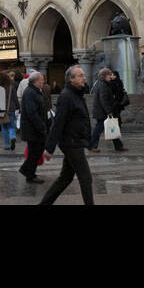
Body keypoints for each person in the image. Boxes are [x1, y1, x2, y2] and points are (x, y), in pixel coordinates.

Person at [40, 64, 94, 206]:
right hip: (71, 142)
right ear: (71, 79)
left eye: (83, 75)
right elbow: (58, 123)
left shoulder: (76, 94)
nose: (84, 78)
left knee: (65, 177)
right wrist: (49, 148)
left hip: (75, 140)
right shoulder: (66, 96)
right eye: (80, 75)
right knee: (86, 177)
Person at [17, 71, 48, 184]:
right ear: (36, 81)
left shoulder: (35, 91)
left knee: (35, 151)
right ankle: (29, 173)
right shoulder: (30, 92)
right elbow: (32, 113)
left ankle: (27, 170)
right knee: (35, 151)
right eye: (41, 80)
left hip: (34, 128)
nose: (43, 82)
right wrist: (41, 126)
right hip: (32, 128)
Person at [88, 68, 123, 152]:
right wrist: (109, 112)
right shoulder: (103, 85)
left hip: (102, 111)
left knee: (112, 127)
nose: (110, 76)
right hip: (102, 112)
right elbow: (104, 100)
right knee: (98, 129)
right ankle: (92, 145)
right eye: (109, 75)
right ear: (104, 76)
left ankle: (118, 146)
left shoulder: (104, 84)